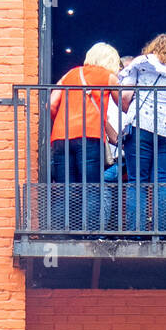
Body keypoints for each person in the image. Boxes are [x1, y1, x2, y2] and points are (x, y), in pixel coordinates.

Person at [118, 35, 166, 233]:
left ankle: (136, 233)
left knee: (137, 181)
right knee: (164, 181)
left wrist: (131, 110)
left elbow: (125, 96)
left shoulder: (141, 63)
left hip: (140, 126)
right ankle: (163, 232)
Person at [47, 43, 123, 231]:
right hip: (89, 135)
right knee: (91, 187)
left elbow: (50, 105)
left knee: (66, 189)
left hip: (60, 136)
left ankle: (63, 232)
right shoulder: (109, 77)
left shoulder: (69, 75)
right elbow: (125, 104)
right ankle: (90, 232)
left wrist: (61, 123)